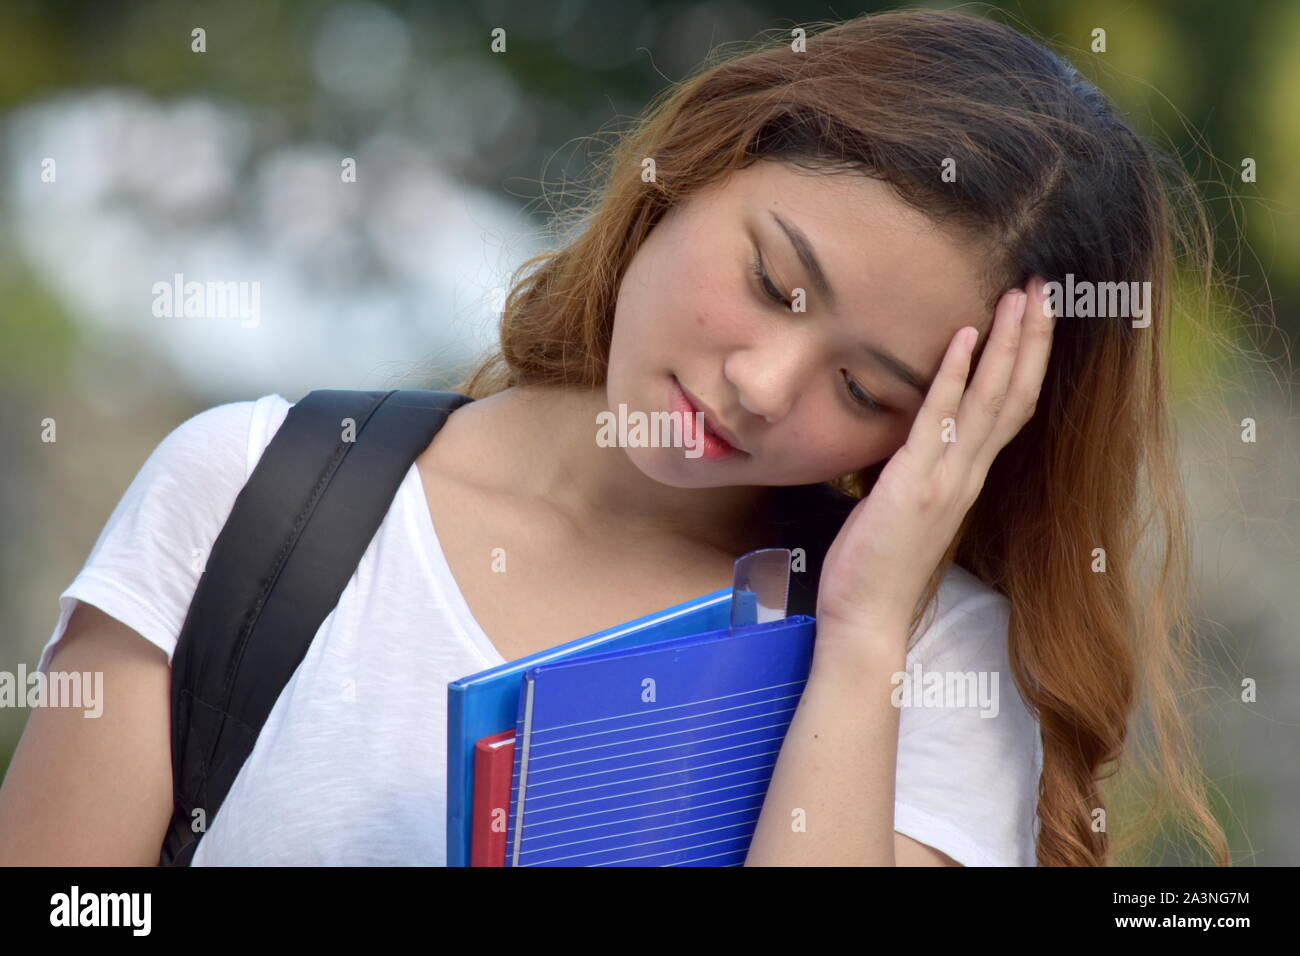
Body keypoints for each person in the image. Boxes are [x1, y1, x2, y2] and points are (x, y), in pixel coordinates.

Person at [0, 8, 1229, 866]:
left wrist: (857, 643)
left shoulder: (931, 662)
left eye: (863, 387)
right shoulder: (247, 493)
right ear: (695, 165)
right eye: (772, 281)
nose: (759, 383)